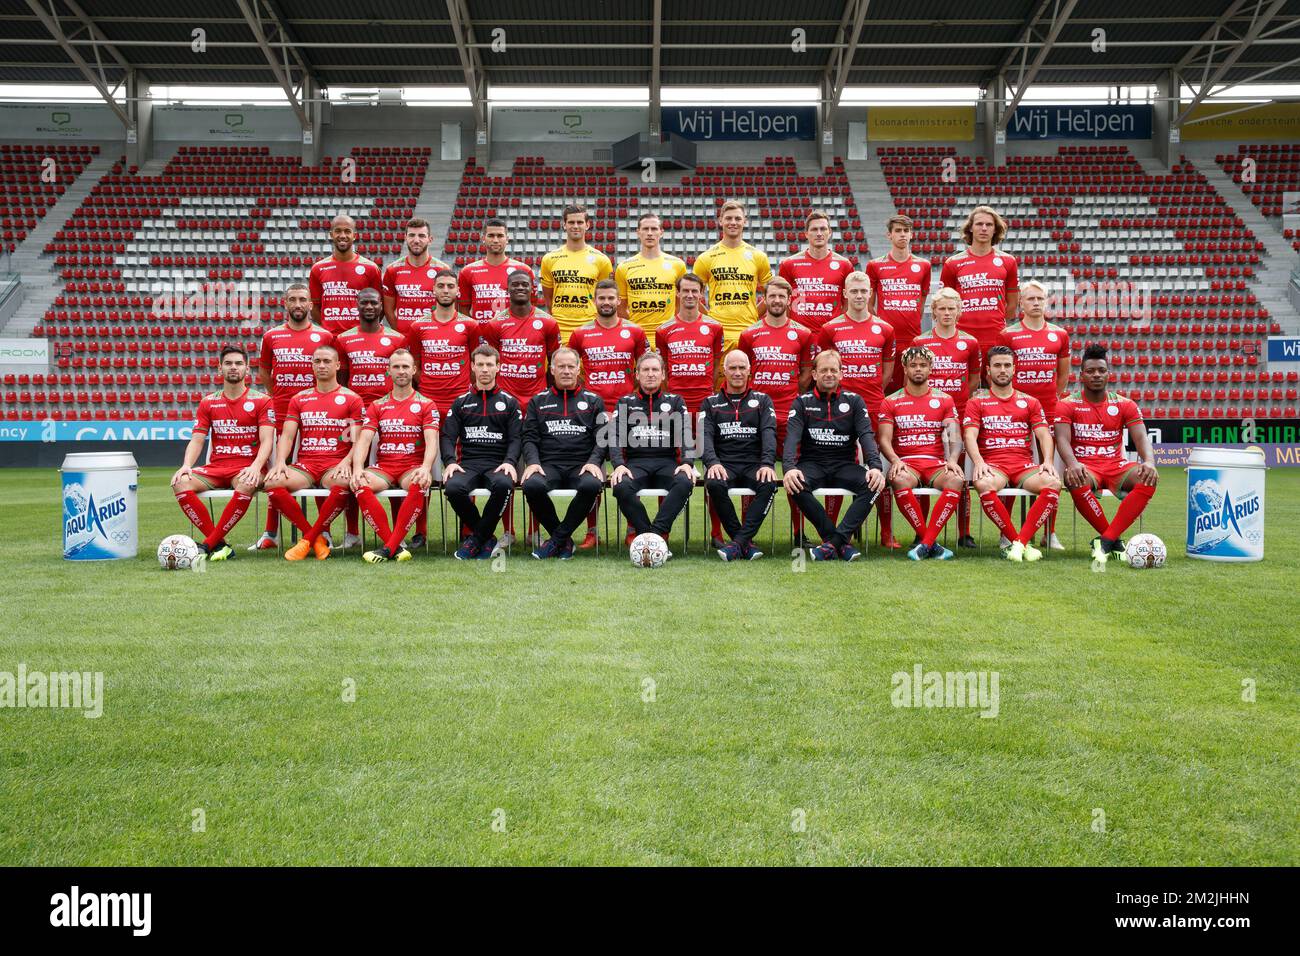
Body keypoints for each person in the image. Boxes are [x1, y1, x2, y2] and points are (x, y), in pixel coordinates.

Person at [1054, 343, 1159, 572]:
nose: (1096, 375)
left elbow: (1141, 438)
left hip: (1116, 465)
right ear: (1081, 375)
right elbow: (1061, 440)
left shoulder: (1124, 404)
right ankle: (1115, 541)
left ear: (1108, 374)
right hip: (1085, 465)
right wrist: (1072, 464)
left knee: (1148, 477)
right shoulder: (1067, 404)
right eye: (1090, 371)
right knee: (1075, 478)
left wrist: (1149, 462)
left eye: (1101, 370)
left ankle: (1106, 540)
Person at [250, 283, 336, 550]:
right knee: (277, 468)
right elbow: (265, 372)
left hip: (319, 412)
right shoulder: (272, 336)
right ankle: (270, 533)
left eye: (303, 300)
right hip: (282, 413)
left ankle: (326, 531)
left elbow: (333, 371)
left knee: (321, 467)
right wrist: (279, 398)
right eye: (293, 300)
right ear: (285, 304)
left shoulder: (324, 335)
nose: (298, 304)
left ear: (311, 305)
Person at [817, 270, 898, 547]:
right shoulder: (831, 328)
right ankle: (832, 530)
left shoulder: (885, 329)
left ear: (870, 294)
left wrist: (869, 394)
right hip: (836, 409)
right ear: (845, 294)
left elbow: (886, 373)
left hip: (873, 406)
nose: (860, 296)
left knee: (879, 471)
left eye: (864, 291)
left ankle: (886, 532)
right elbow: (826, 366)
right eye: (854, 291)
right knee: (838, 468)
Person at [171, 345, 274, 561]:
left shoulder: (262, 401)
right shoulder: (208, 402)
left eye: (238, 363)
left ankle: (209, 544)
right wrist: (186, 465)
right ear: (219, 369)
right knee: (180, 482)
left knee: (246, 483)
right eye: (228, 364)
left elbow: (267, 441)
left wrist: (256, 466)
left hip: (247, 468)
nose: (233, 368)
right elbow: (197, 439)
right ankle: (220, 544)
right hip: (216, 468)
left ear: (247, 369)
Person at [263, 345, 365, 561]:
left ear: (337, 365)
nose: (321, 365)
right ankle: (315, 537)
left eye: (327, 361)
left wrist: (347, 462)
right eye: (317, 361)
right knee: (272, 482)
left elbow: (357, 440)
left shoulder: (351, 398)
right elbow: (288, 436)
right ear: (311, 366)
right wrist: (281, 461)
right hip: (306, 464)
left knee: (344, 484)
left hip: (335, 464)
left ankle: (307, 538)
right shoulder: (299, 399)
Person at [782, 349, 885, 561]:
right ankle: (838, 542)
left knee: (873, 484)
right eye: (824, 370)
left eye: (833, 370)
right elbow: (791, 439)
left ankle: (832, 543)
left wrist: (875, 466)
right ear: (814, 374)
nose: (829, 374)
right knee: (794, 484)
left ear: (841, 374)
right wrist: (789, 468)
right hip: (812, 464)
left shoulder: (855, 401)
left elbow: (866, 435)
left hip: (844, 464)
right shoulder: (802, 402)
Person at [567, 279, 648, 547]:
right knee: (593, 469)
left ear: (618, 301)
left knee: (629, 470)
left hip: (627, 412)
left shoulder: (635, 332)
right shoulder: (580, 334)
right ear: (594, 300)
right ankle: (592, 531)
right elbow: (572, 369)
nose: (606, 302)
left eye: (611, 298)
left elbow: (644, 370)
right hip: (592, 414)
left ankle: (633, 528)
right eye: (601, 298)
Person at [962, 345, 1061, 563]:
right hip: (993, 465)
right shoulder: (977, 402)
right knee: (983, 484)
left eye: (1007, 365)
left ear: (1015, 369)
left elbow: (1044, 434)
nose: (1003, 370)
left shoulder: (1030, 402)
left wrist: (1047, 461)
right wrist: (978, 462)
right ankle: (1017, 540)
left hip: (1023, 466)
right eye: (997, 365)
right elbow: (969, 436)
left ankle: (1018, 543)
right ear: (988, 370)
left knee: (1053, 483)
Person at [998, 279, 1072, 550]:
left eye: (1040, 299)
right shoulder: (1009, 334)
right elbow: (1001, 372)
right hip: (1014, 412)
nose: (1036, 303)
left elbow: (1062, 376)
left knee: (1050, 473)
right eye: (1030, 299)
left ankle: (1049, 533)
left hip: (1049, 412)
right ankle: (1006, 533)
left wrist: (1050, 400)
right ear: (1021, 303)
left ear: (1047, 302)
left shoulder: (1059, 335)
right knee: (1010, 469)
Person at [336, 287, 409, 550]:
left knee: (393, 466)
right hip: (354, 417)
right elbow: (342, 378)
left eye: (374, 303)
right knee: (353, 470)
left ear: (382, 306)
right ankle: (353, 532)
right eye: (364, 302)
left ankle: (398, 532)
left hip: (389, 412)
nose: (369, 307)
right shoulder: (343, 339)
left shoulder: (397, 338)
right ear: (357, 305)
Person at [876, 346, 964, 561]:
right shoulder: (891, 401)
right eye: (913, 365)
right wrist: (895, 460)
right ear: (904, 369)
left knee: (956, 480)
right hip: (907, 462)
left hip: (935, 463)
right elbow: (884, 439)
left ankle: (925, 543)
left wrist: (952, 459)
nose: (918, 369)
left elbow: (954, 437)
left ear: (930, 368)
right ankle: (930, 542)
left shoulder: (944, 399)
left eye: (923, 365)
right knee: (899, 479)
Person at [351, 350, 440, 563]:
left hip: (412, 467)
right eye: (396, 367)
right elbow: (363, 440)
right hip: (384, 467)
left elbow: (431, 441)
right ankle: (395, 545)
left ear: (414, 370)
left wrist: (426, 468)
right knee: (359, 484)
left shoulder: (426, 404)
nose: (401, 371)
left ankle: (388, 548)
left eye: (405, 367)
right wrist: (357, 469)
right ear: (388, 371)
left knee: (419, 481)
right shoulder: (377, 405)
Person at [520, 347, 608, 559]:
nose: (566, 371)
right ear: (552, 369)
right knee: (532, 485)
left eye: (571, 366)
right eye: (561, 366)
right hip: (548, 464)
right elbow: (529, 437)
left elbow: (602, 437)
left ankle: (556, 541)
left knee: (591, 485)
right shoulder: (538, 401)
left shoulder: (594, 401)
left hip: (582, 464)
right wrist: (532, 462)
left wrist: (595, 461)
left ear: (579, 369)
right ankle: (563, 540)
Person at [911, 287, 982, 548]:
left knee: (959, 473)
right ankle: (924, 531)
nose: (947, 313)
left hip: (958, 417)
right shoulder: (921, 342)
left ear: (959, 311)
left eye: (952, 308)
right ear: (933, 312)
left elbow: (973, 379)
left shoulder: (970, 342)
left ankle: (964, 533)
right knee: (925, 473)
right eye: (942, 308)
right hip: (927, 416)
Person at [609, 351, 696, 553]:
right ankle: (645, 532)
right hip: (635, 464)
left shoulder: (676, 401)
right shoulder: (625, 402)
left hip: (667, 463)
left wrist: (687, 462)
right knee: (620, 485)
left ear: (663, 374)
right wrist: (618, 464)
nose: (650, 374)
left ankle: (657, 534)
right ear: (637, 375)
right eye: (645, 370)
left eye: (655, 370)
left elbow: (685, 432)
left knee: (685, 481)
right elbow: (613, 435)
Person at [440, 344, 522, 560]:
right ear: (473, 367)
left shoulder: (510, 403)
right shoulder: (460, 403)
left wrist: (510, 462)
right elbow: (447, 436)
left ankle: (476, 539)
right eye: (480, 365)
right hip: (469, 464)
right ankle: (486, 537)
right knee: (453, 487)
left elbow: (516, 438)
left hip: (498, 464)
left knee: (504, 485)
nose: (485, 369)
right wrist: (449, 461)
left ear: (498, 368)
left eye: (489, 365)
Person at [701, 350, 779, 562]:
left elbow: (769, 433)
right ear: (723, 371)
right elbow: (704, 436)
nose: (737, 372)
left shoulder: (763, 400)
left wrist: (767, 463)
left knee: (769, 483)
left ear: (749, 371)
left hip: (754, 464)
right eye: (733, 368)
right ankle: (744, 542)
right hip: (724, 464)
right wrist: (712, 462)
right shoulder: (710, 402)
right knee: (715, 484)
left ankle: (737, 543)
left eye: (742, 368)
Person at [940, 205, 1018, 365]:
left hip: (996, 337)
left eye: (989, 225)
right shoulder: (953, 263)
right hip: (962, 337)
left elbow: (1012, 305)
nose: (984, 228)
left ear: (995, 229)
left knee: (996, 386)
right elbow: (944, 303)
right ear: (970, 228)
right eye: (979, 224)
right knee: (965, 387)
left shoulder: (1008, 261)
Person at [692, 199, 773, 349]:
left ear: (745, 222)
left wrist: (755, 314)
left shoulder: (758, 257)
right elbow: (690, 295)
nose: (733, 222)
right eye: (728, 218)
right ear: (720, 221)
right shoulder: (706, 258)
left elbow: (772, 294)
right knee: (716, 372)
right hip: (717, 333)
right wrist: (709, 317)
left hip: (749, 331)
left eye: (738, 218)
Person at [866, 214, 931, 393]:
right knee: (883, 386)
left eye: (906, 231)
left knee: (910, 388)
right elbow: (869, 305)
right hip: (885, 338)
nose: (902, 234)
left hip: (912, 337)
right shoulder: (875, 265)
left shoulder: (924, 265)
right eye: (898, 231)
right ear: (889, 235)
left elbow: (922, 300)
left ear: (911, 235)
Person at [540, 203, 613, 343]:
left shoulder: (601, 260)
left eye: (580, 222)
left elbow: (606, 297)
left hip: (590, 327)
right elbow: (549, 299)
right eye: (571, 222)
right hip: (560, 328)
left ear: (587, 225)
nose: (575, 226)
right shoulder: (549, 259)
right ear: (564, 225)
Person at [614, 212, 687, 346]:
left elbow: (680, 305)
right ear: (638, 232)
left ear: (661, 232)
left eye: (654, 229)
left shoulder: (677, 265)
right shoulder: (624, 267)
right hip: (637, 338)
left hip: (668, 336)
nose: (649, 233)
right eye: (645, 229)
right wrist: (635, 329)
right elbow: (621, 308)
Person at [778, 210, 854, 336]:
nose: (819, 234)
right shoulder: (789, 264)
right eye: (814, 229)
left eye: (823, 229)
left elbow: (847, 303)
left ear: (829, 233)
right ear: (806, 234)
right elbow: (783, 301)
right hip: (799, 335)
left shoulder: (844, 265)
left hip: (831, 335)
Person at [309, 214, 382, 335]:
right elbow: (314, 307)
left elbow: (379, 306)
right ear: (331, 234)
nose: (342, 235)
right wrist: (328, 328)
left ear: (354, 236)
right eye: (338, 231)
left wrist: (364, 329)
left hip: (359, 337)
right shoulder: (318, 268)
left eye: (347, 231)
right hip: (330, 338)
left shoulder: (370, 268)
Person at [382, 217, 453, 338]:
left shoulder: (442, 269)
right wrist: (400, 331)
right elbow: (388, 310)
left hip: (433, 337)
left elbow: (450, 308)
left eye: (421, 236)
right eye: (411, 235)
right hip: (404, 338)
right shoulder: (393, 270)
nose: (416, 240)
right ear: (405, 238)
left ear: (430, 239)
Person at [457, 218, 536, 324]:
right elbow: (463, 310)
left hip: (513, 336)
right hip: (480, 336)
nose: (495, 240)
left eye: (500, 236)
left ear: (507, 239)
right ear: (483, 238)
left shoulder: (524, 271)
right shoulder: (468, 272)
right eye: (491, 235)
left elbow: (532, 307)